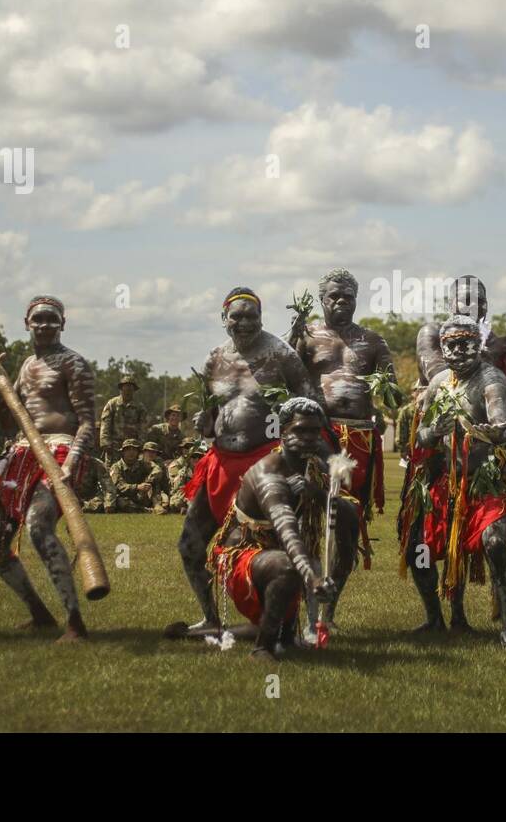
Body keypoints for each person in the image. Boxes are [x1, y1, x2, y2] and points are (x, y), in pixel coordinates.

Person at [164, 288, 322, 640]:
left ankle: (284, 626)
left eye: (251, 315)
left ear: (262, 317)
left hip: (263, 464)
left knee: (271, 546)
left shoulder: (281, 354)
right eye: (236, 316)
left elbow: (310, 401)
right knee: (190, 545)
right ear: (224, 319)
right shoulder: (214, 359)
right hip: (219, 462)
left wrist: (302, 455)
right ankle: (210, 617)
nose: (244, 322)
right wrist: (205, 424)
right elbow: (212, 412)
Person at [0, 295, 97, 641]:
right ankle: (40, 614)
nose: (44, 325)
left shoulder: (73, 363)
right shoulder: (26, 366)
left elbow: (88, 423)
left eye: (51, 319)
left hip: (61, 451)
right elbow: (6, 421)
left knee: (38, 526)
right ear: (26, 324)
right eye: (38, 319)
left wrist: (71, 464)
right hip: (22, 453)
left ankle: (75, 621)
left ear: (63, 324)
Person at [404, 316, 506, 649]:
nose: (458, 351)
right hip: (446, 482)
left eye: (465, 343)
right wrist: (436, 430)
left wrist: (498, 430)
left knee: (495, 543)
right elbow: (424, 437)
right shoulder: (439, 381)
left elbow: (503, 422)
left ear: (479, 345)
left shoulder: (492, 380)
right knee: (418, 550)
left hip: (485, 484)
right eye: (450, 345)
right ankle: (439, 619)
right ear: (442, 347)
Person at [210, 398, 343, 662]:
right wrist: (312, 578)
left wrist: (316, 492)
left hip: (275, 554)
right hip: (243, 559)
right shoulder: (270, 475)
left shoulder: (312, 469)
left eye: (314, 431)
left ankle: (280, 636)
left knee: (290, 563)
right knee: (288, 565)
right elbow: (289, 534)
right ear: (282, 432)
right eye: (300, 430)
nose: (308, 438)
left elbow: (346, 511)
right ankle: (263, 647)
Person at [291, 267, 396, 589]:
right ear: (322, 300)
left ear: (356, 300)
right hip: (318, 434)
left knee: (349, 520)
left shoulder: (373, 340)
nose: (340, 301)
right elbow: (288, 379)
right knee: (308, 513)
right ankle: (304, 594)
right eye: (333, 296)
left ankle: (331, 602)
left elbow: (393, 390)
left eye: (347, 296)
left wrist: (382, 404)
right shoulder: (306, 336)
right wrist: (293, 336)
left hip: (361, 437)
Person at [99, 376, 146, 463]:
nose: (128, 390)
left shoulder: (140, 407)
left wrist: (140, 446)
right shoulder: (112, 404)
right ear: (121, 388)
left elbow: (142, 428)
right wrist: (105, 443)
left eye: (131, 388)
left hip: (132, 448)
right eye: (126, 387)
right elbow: (105, 424)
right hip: (114, 447)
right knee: (111, 471)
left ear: (134, 390)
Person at [109, 439, 157, 512]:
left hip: (139, 496)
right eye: (128, 450)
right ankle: (145, 510)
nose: (131, 452)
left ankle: (157, 506)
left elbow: (157, 469)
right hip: (123, 496)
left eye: (134, 450)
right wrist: (137, 487)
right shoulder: (116, 467)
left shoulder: (143, 464)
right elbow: (119, 486)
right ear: (123, 452)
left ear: (138, 452)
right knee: (120, 502)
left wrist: (148, 482)